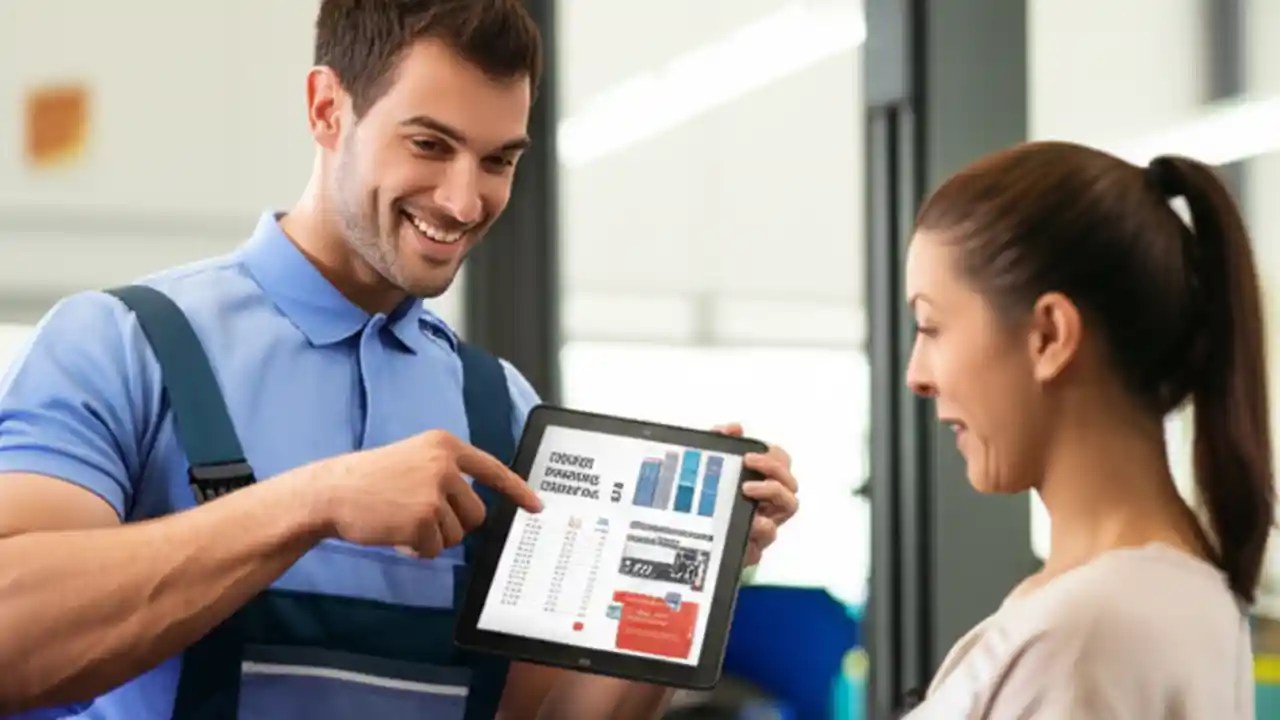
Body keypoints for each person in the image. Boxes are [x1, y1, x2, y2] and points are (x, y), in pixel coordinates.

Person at [0, 2, 800, 718]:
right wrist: (314, 500)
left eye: (498, 161)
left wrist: (692, 573)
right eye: (429, 144)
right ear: (325, 109)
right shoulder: (123, 344)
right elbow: (15, 643)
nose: (462, 201)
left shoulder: (503, 410)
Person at [900, 141, 1271, 718]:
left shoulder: (1087, 632)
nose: (916, 376)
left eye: (932, 327)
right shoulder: (1164, 595)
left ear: (1048, 336)